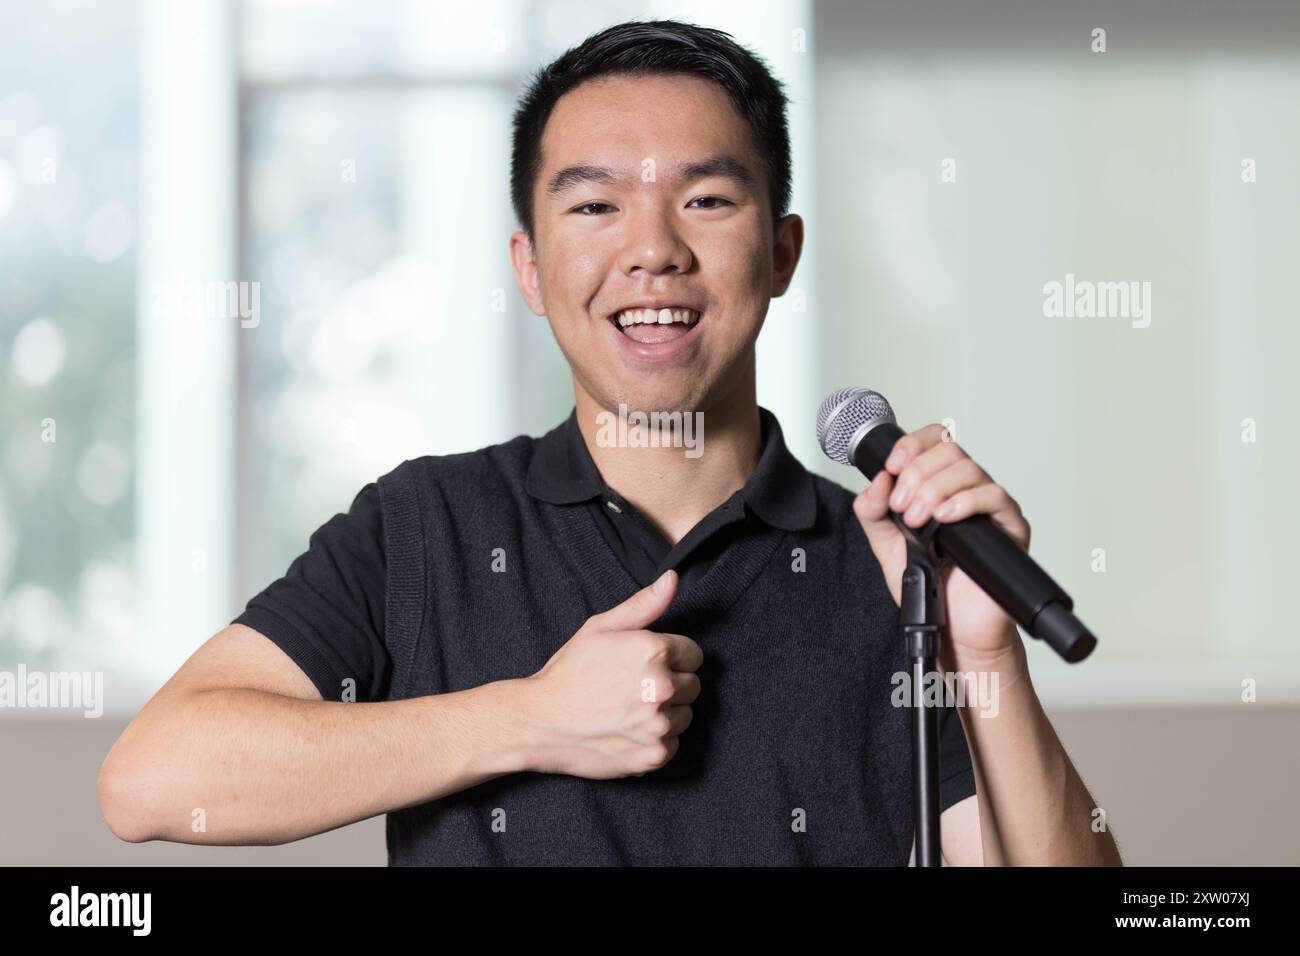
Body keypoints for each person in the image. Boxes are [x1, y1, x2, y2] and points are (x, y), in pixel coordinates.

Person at [99, 19, 1121, 866]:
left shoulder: (887, 559)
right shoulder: (428, 526)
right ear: (531, 269)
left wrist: (979, 649)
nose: (652, 250)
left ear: (780, 252)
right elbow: (154, 779)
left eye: (706, 199)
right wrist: (531, 719)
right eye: (594, 205)